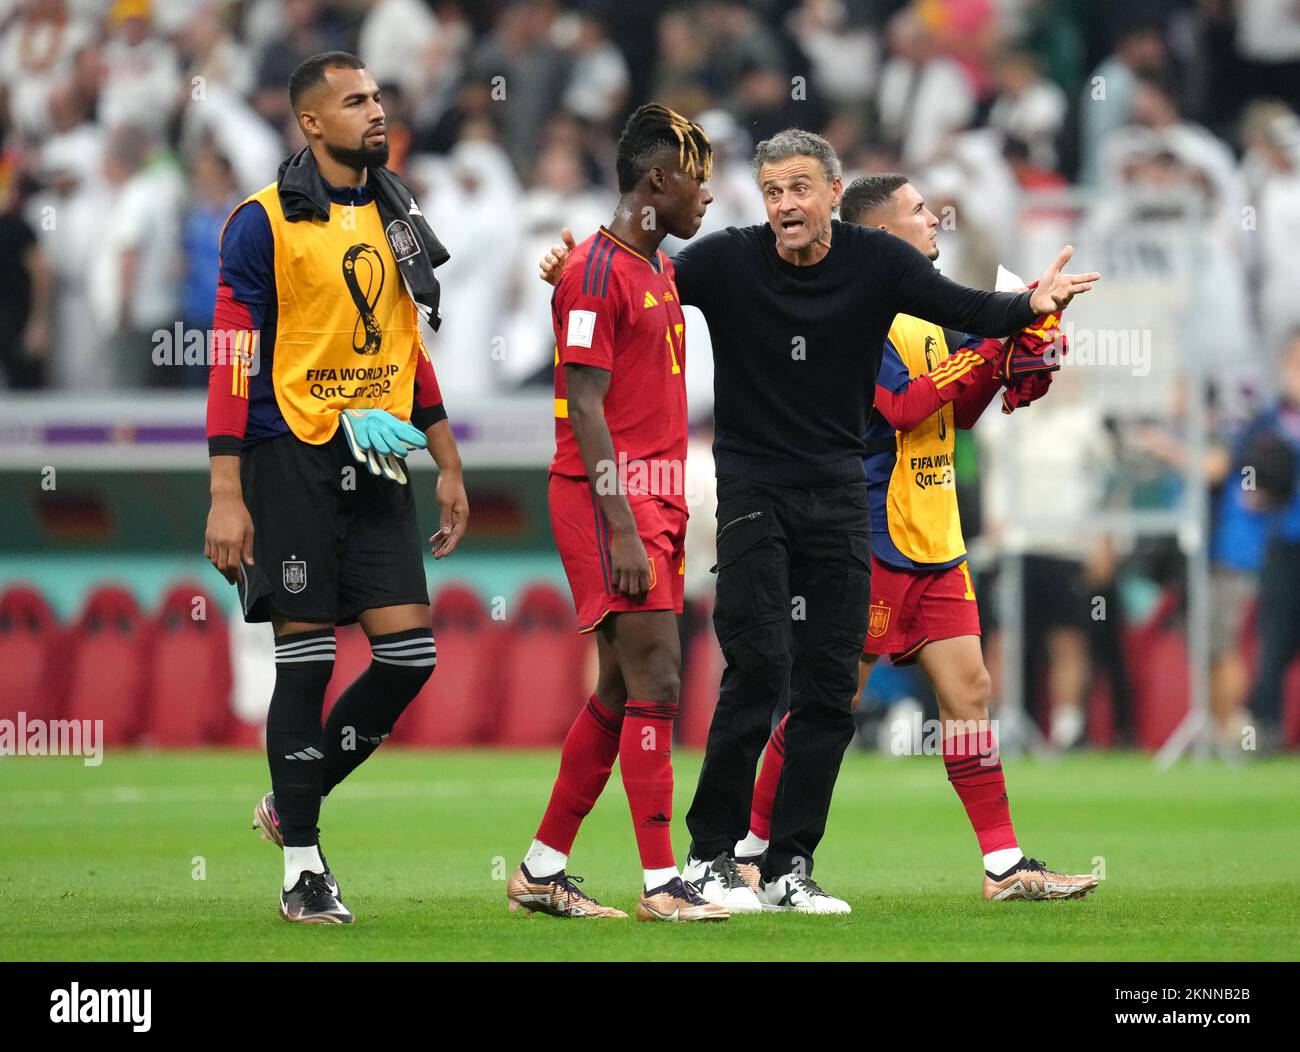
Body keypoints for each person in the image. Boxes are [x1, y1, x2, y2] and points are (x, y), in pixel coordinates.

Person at [539, 127, 1099, 913]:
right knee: (760, 667)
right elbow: (644, 278)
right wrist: (579, 271)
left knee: (832, 688)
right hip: (754, 489)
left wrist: (1030, 306)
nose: (785, 205)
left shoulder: (879, 265)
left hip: (838, 493)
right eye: (772, 191)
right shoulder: (727, 259)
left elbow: (968, 306)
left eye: (800, 188)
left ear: (835, 193)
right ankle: (709, 858)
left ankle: (787, 867)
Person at [740, 174, 1100, 902]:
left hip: (937, 537)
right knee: (830, 701)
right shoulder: (853, 312)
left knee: (970, 693)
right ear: (880, 233)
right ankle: (751, 850)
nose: (936, 217)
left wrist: (1025, 355)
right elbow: (902, 408)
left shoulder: (936, 313)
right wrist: (986, 353)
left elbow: (960, 411)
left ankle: (1003, 864)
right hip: (867, 535)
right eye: (917, 211)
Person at [203, 51, 468, 925]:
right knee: (307, 660)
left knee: (408, 656)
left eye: (379, 97)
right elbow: (233, 358)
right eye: (355, 102)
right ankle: (305, 870)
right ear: (311, 123)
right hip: (290, 459)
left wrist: (448, 457)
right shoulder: (262, 222)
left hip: (381, 455)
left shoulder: (399, 214)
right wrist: (226, 490)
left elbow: (404, 346)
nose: (376, 111)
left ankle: (291, 801)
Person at [506, 104, 728, 923]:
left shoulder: (657, 269)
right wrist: (624, 524)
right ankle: (664, 882)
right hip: (612, 497)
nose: (707, 194)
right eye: (697, 178)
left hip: (657, 493)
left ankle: (540, 868)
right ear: (655, 181)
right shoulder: (595, 271)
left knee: (619, 688)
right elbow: (584, 406)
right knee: (660, 676)